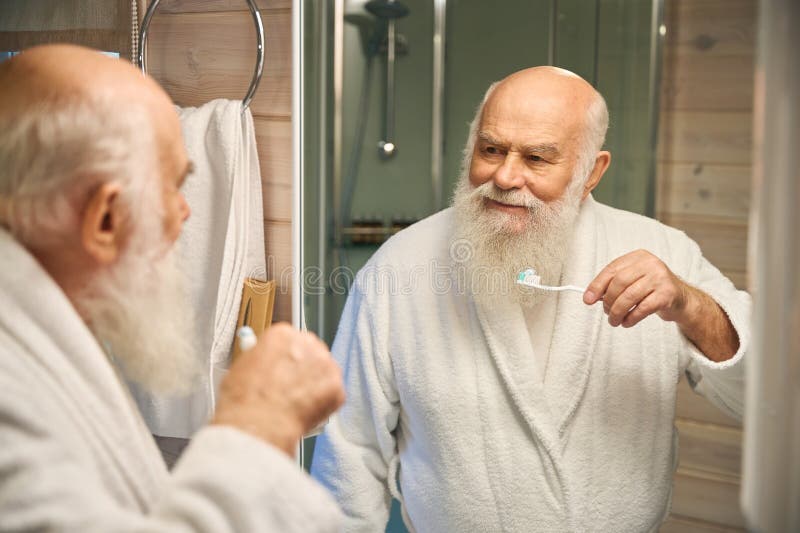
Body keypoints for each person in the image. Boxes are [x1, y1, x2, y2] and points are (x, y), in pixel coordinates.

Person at [311, 66, 749, 532]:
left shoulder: (665, 254)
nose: (504, 175)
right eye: (491, 149)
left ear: (592, 171)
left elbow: (762, 396)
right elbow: (351, 448)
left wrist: (689, 306)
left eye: (537, 158)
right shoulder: (400, 267)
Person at [0, 44, 345, 531]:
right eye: (173, 187)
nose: (185, 213)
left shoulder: (48, 331)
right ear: (104, 218)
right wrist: (258, 423)